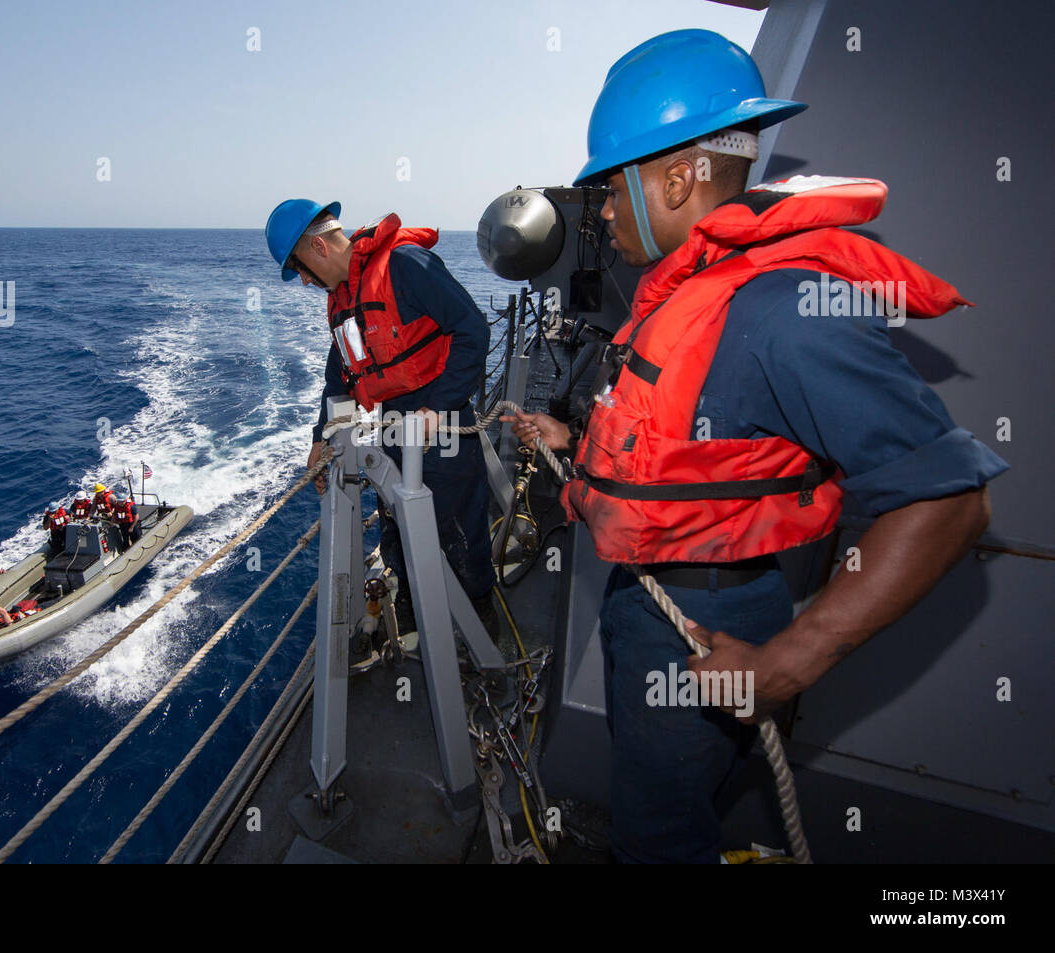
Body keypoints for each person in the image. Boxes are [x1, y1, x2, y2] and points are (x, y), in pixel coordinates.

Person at [503, 29, 1008, 863]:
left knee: (660, 831)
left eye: (608, 191)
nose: (600, 214)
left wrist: (791, 659)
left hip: (707, 619)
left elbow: (950, 498)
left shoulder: (778, 310)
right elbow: (693, 448)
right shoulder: (699, 290)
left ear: (672, 180)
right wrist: (575, 439)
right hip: (660, 599)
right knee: (657, 798)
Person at [265, 199, 499, 638]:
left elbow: (473, 331)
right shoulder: (343, 299)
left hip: (442, 425)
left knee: (457, 533)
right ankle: (413, 614)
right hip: (393, 426)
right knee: (396, 526)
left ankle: (478, 636)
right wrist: (322, 435)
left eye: (299, 268)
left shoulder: (406, 266)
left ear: (318, 247)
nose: (303, 281)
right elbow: (341, 373)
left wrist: (438, 407)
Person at [112, 486, 141, 552]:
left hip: (131, 524)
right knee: (125, 539)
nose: (120, 503)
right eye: (119, 501)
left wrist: (132, 527)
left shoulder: (131, 507)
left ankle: (137, 549)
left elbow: (136, 517)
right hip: (123, 524)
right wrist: (114, 522)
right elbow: (115, 515)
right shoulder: (117, 507)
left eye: (122, 501)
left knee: (136, 538)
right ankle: (126, 550)